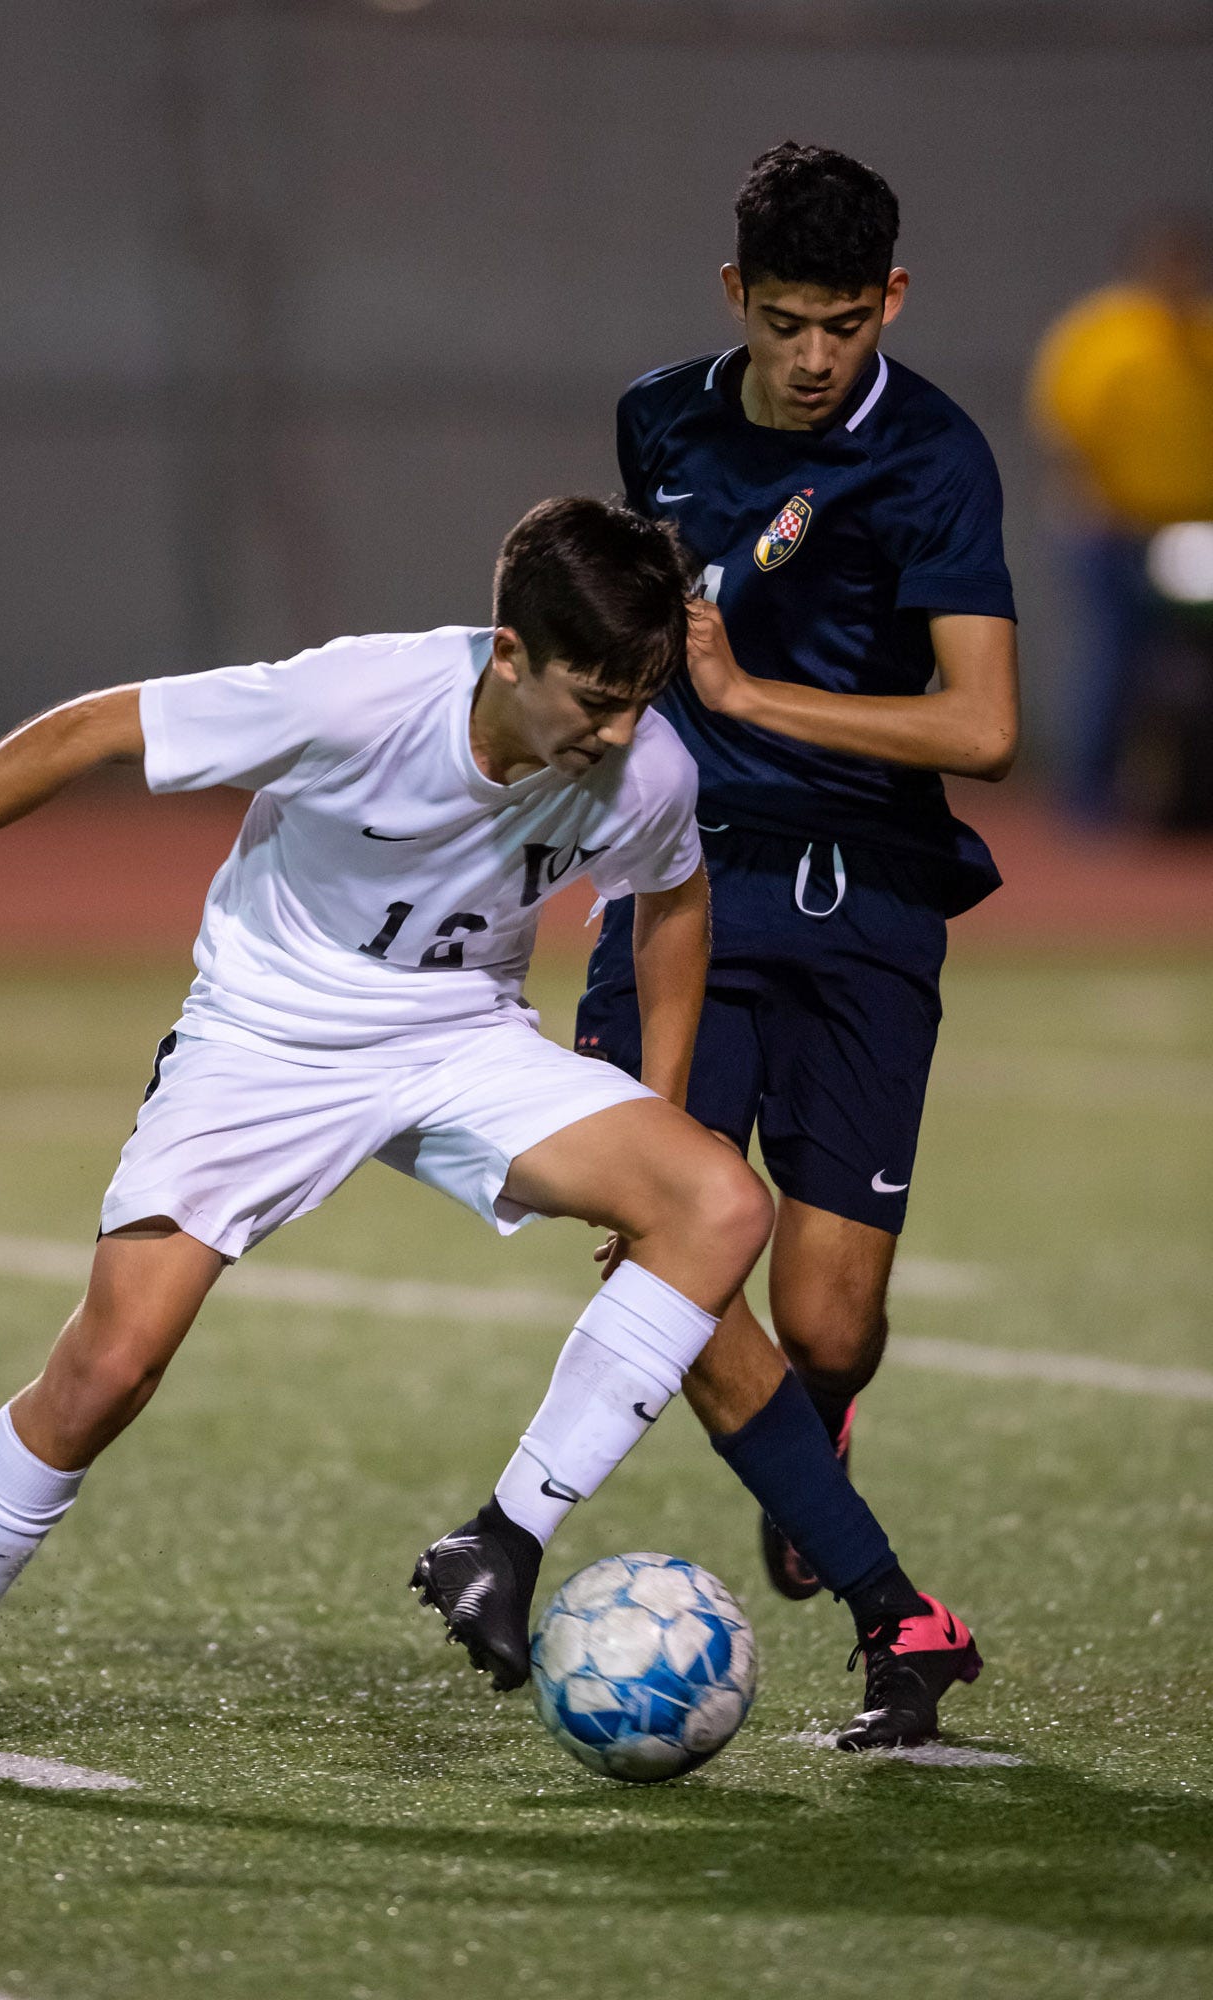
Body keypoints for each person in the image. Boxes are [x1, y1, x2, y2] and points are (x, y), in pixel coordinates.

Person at [0, 497, 979, 1784]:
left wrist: (660, 1120)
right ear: (509, 654)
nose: (619, 731)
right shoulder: (352, 698)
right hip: (261, 1041)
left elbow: (670, 901)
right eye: (595, 699)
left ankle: (502, 1536)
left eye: (638, 698)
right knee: (108, 1367)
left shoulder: (644, 761)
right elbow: (88, 727)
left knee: (717, 1204)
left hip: (459, 1040)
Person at [440, 144, 1019, 1634]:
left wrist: (756, 702)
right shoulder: (658, 420)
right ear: (734, 298)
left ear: (890, 299)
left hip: (874, 890)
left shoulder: (937, 457)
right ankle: (831, 1578)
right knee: (671, 1232)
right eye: (783, 322)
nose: (816, 357)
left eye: (846, 322)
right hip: (688, 880)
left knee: (827, 1320)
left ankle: (813, 1426)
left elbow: (984, 728)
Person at [1029, 211, 1213, 823]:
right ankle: (1091, 798)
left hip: (1190, 533)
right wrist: (1086, 499)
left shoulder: (1204, 338)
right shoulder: (1104, 335)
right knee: (1113, 658)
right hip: (1113, 529)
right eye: (1167, 262)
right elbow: (1063, 429)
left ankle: (1188, 798)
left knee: (1188, 669)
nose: (1178, 276)